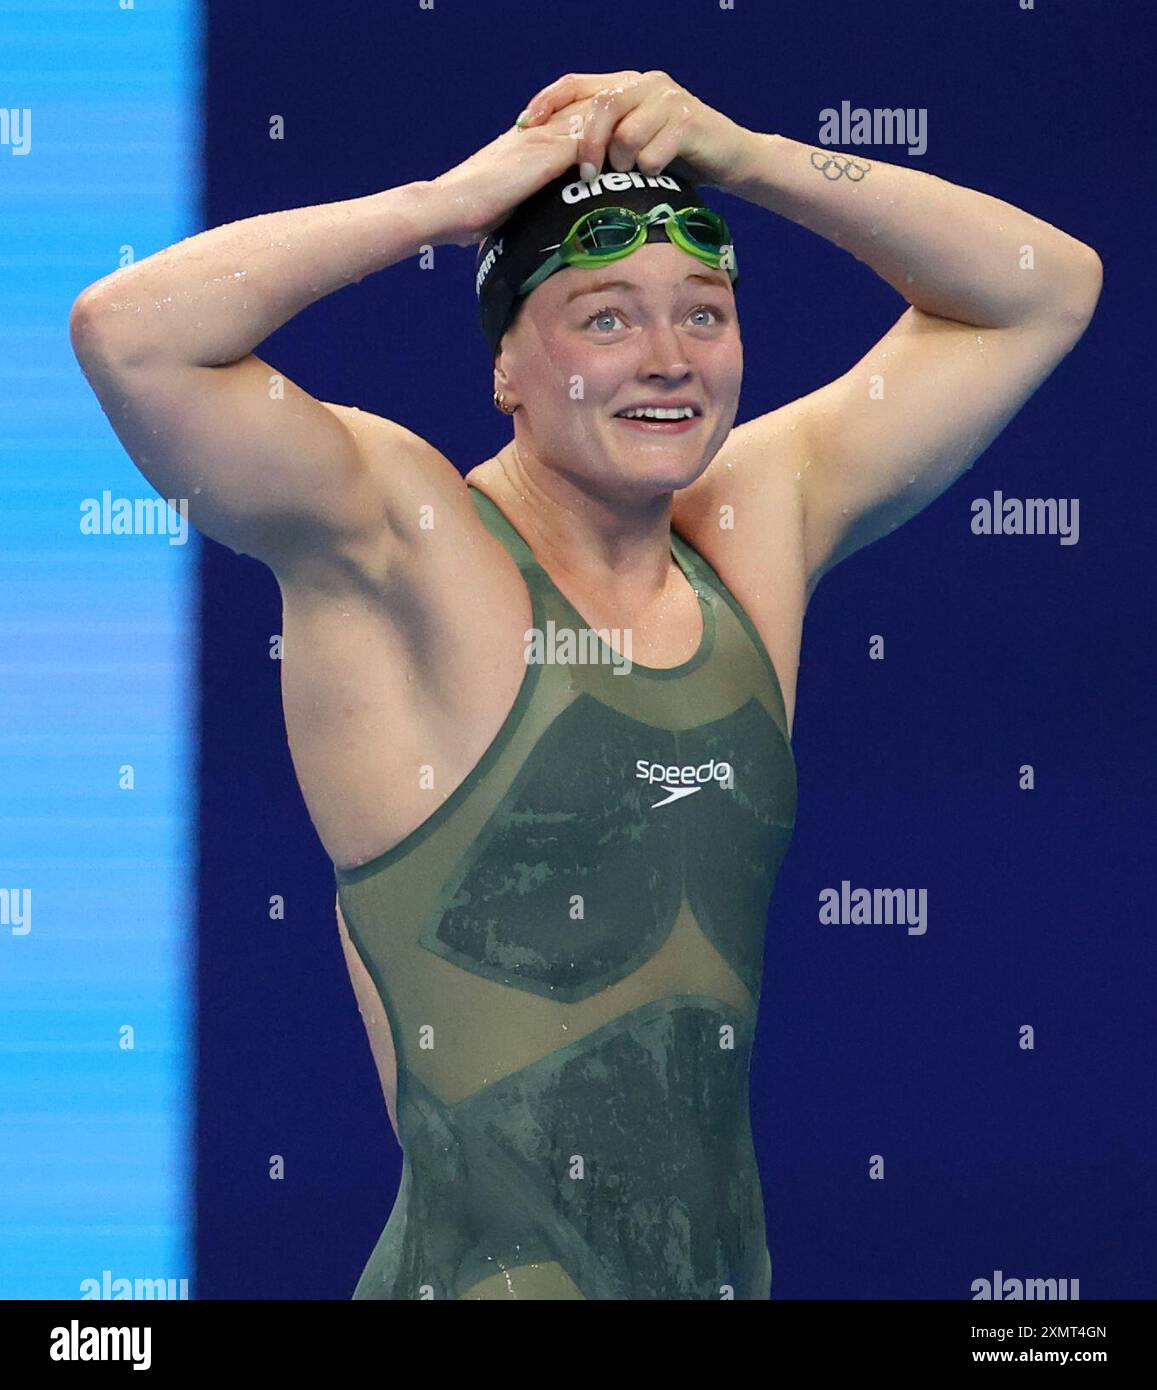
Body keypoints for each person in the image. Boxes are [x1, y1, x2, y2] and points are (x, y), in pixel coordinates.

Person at [69, 69, 1102, 1300]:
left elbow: (1041, 291)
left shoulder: (747, 530)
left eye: (703, 313)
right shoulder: (414, 545)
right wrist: (440, 205)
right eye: (603, 317)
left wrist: (748, 154)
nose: (667, 360)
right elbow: (129, 334)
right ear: (505, 364)